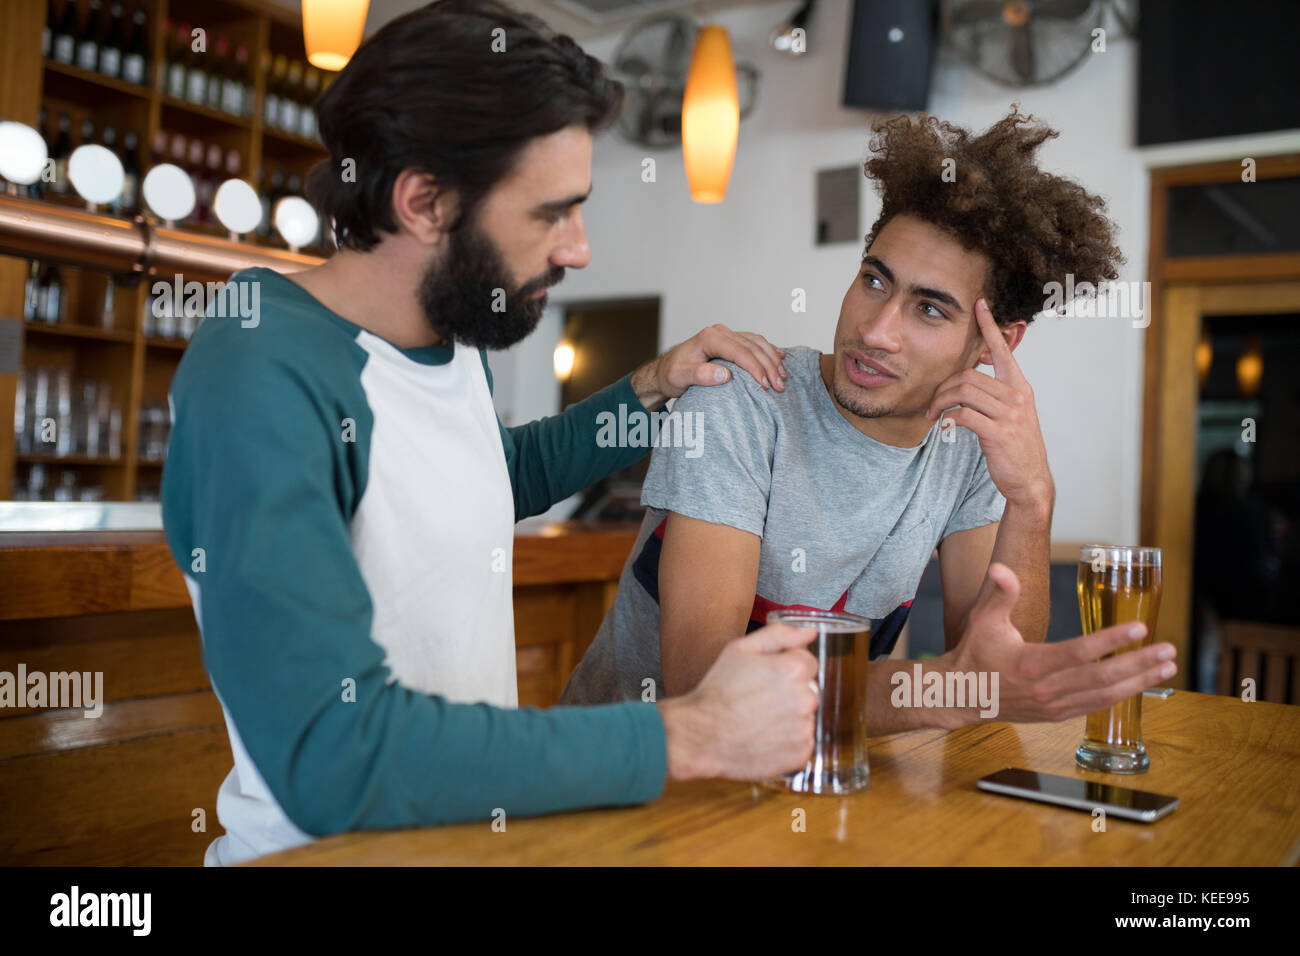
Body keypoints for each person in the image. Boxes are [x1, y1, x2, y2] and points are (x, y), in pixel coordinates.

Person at [163, 0, 820, 866]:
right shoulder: (257, 368)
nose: (579, 249)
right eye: (554, 213)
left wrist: (652, 388)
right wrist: (689, 733)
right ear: (425, 201)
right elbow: (329, 751)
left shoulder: (448, 337)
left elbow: (481, 478)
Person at [561, 108, 1180, 733]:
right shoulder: (738, 403)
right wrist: (940, 691)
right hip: (635, 787)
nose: (876, 331)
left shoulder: (969, 445)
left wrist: (1032, 497)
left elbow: (998, 669)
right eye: (875, 281)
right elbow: (708, 683)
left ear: (998, 343)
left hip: (817, 780)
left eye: (930, 311)